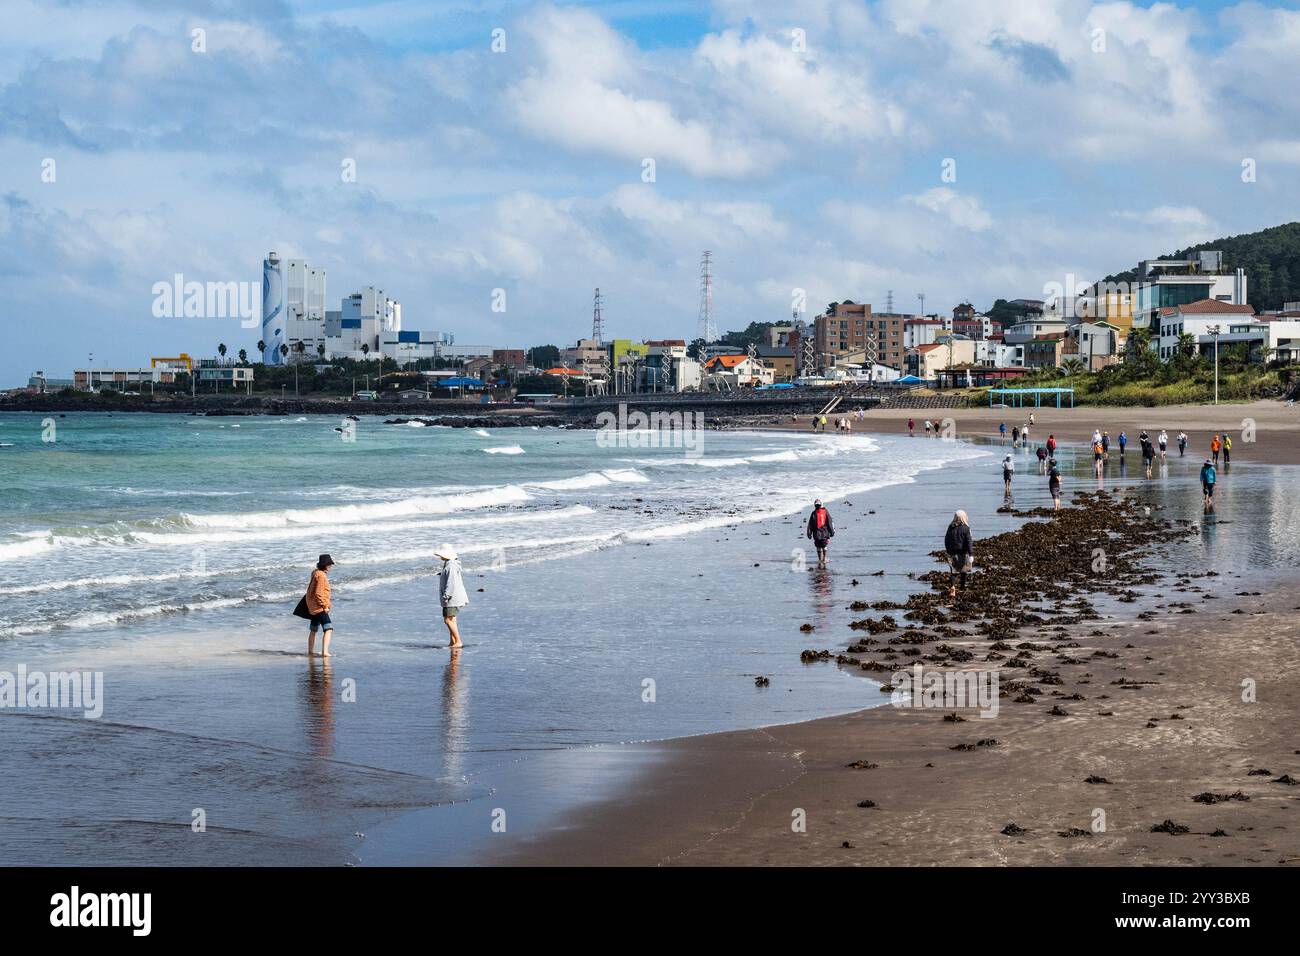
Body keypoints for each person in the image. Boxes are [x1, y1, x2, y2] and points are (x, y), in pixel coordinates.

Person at [435, 545, 469, 648]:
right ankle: (453, 641)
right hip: (452, 597)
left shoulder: (451, 566)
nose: (440, 556)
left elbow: (451, 583)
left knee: (448, 620)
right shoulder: (449, 564)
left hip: (451, 598)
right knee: (452, 619)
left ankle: (458, 641)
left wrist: (446, 596)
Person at [306, 553, 335, 658]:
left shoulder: (315, 572)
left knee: (313, 630)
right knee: (328, 628)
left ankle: (310, 651)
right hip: (319, 607)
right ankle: (325, 652)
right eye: (330, 565)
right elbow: (319, 593)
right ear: (326, 565)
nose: (331, 567)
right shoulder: (321, 575)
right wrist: (325, 606)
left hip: (312, 606)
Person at [943, 510, 973, 598]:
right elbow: (969, 542)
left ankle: (952, 587)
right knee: (964, 571)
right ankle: (962, 587)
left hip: (952, 552)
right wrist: (971, 554)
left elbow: (946, 540)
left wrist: (948, 550)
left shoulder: (950, 527)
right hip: (963, 552)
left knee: (953, 572)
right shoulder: (966, 528)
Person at [806, 498, 834, 568]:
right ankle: (823, 559)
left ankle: (821, 559)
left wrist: (809, 533)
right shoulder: (825, 512)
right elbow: (830, 522)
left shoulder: (814, 513)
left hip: (817, 534)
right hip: (824, 533)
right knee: (823, 546)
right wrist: (832, 531)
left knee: (819, 547)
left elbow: (810, 525)